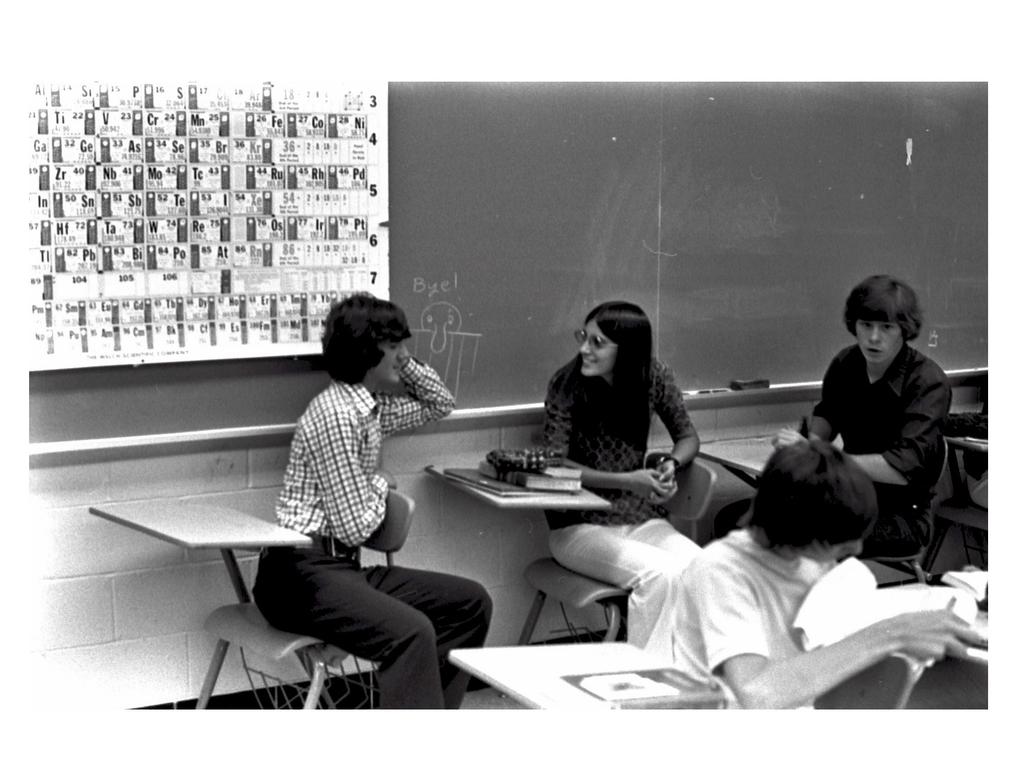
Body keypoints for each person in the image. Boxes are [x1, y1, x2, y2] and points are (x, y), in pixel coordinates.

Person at [253, 293, 492, 709]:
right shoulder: (336, 415)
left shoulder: (371, 409)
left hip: (340, 569)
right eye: (396, 347)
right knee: (412, 632)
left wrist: (402, 360)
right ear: (367, 351)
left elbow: (441, 403)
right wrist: (380, 482)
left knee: (470, 604)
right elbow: (354, 527)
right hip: (297, 576)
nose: (405, 357)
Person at [671, 439, 982, 709]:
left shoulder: (810, 560)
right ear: (798, 532)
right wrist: (893, 633)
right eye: (837, 542)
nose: (857, 547)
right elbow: (758, 695)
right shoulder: (721, 570)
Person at [715, 274, 950, 559]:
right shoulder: (846, 363)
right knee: (735, 521)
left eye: (886, 327)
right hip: (844, 497)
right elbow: (828, 413)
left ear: (904, 330)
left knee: (792, 534)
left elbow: (901, 470)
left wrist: (821, 455)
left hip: (900, 515)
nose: (873, 337)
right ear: (855, 325)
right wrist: (808, 444)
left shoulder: (927, 382)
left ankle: (791, 601)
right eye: (865, 325)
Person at [542, 300, 701, 659]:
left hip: (641, 521)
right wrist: (629, 481)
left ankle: (687, 677)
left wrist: (670, 465)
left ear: (626, 351)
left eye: (598, 342)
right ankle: (640, 684)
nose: (584, 348)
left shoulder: (653, 377)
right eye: (585, 336)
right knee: (660, 576)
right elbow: (554, 464)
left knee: (703, 571)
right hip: (578, 527)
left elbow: (689, 438)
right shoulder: (568, 384)